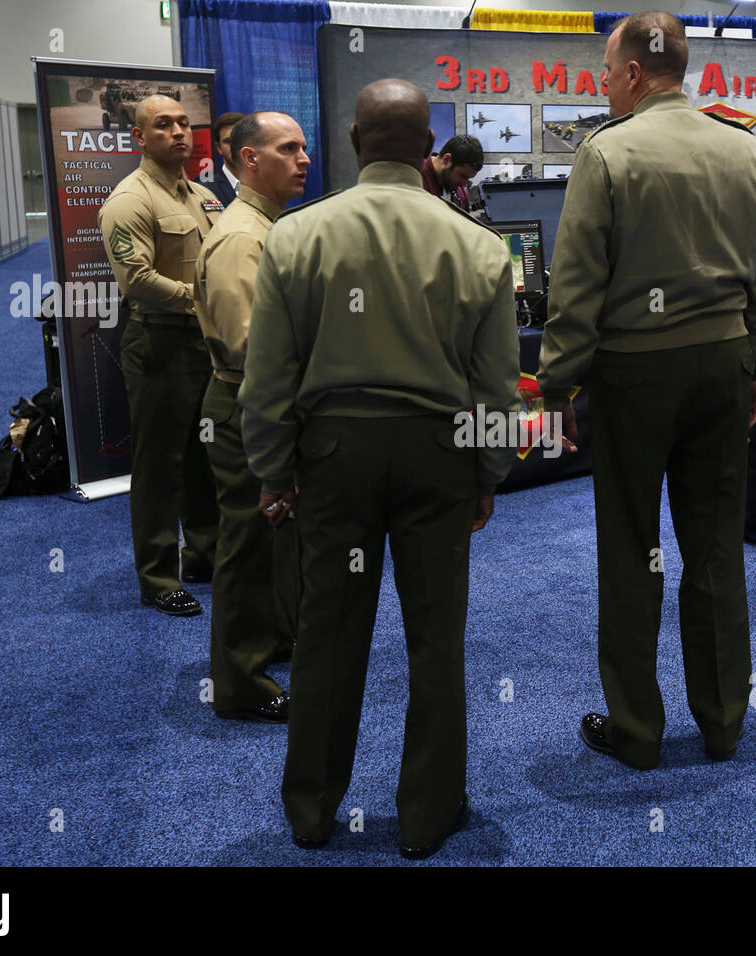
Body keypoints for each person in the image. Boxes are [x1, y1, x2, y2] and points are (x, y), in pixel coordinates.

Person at [239, 79, 520, 858]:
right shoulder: (480, 246)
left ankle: (312, 811)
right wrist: (487, 475)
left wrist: (272, 471)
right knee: (437, 639)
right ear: (428, 147)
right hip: (439, 457)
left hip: (333, 458)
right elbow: (497, 385)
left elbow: (269, 379)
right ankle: (428, 816)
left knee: (327, 633)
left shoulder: (295, 237)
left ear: (355, 142)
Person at [536, 11, 756, 771]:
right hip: (721, 367)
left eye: (607, 74)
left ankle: (637, 730)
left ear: (635, 73)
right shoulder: (745, 150)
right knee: (715, 549)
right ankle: (724, 722)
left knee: (632, 550)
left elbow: (576, 285)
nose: (605, 86)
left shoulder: (608, 153)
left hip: (635, 374)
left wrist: (555, 386)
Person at [194, 111, 310, 721]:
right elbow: (250, 349)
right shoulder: (244, 236)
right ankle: (239, 684)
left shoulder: (263, 225)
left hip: (256, 401)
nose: (303, 159)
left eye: (304, 148)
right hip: (247, 403)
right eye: (288, 148)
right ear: (249, 160)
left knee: (273, 536)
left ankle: (269, 640)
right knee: (245, 544)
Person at [98, 95, 222, 617]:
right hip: (158, 342)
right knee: (159, 463)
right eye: (163, 124)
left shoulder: (201, 195)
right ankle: (156, 576)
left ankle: (203, 555)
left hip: (201, 342)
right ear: (139, 138)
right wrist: (207, 302)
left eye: (183, 123)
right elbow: (139, 280)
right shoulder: (130, 199)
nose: (177, 132)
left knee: (202, 455)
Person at [192, 111, 245, 207]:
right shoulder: (204, 188)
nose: (235, 146)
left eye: (240, 139)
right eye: (228, 141)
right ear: (219, 148)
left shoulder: (265, 184)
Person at [420, 134, 482, 210]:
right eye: (462, 176)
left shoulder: (461, 193)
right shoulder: (415, 179)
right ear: (446, 160)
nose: (464, 184)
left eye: (468, 178)